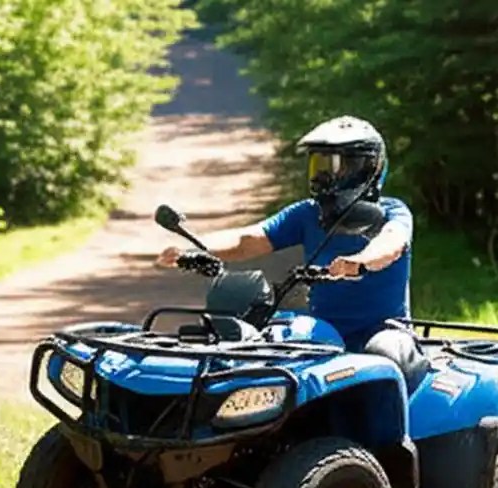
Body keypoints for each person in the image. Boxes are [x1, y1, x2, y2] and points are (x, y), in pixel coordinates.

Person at [155, 115, 429, 392]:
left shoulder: (392, 211)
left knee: (388, 354)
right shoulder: (309, 214)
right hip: (323, 331)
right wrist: (195, 246)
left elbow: (391, 244)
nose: (324, 176)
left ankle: (395, 435)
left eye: (336, 166)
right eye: (318, 165)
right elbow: (249, 239)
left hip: (381, 330)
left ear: (366, 168)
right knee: (265, 350)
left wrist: (360, 262)